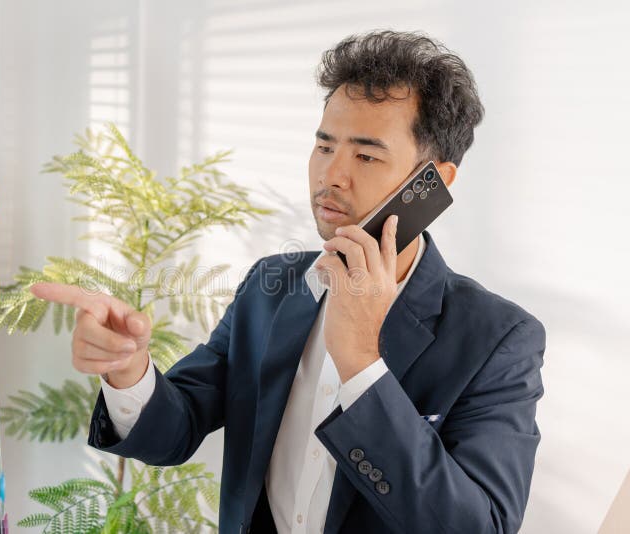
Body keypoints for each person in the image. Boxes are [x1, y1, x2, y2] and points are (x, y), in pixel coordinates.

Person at [30, 30, 545, 534]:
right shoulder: (270, 285)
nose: (331, 176)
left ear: (434, 181)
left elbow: (480, 524)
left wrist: (362, 365)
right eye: (324, 147)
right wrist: (129, 371)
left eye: (366, 155)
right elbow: (178, 429)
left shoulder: (499, 339)